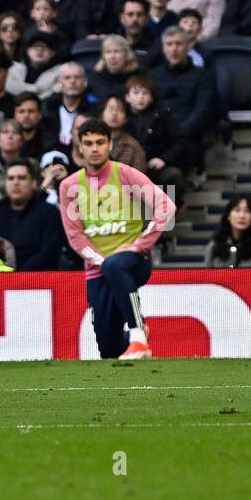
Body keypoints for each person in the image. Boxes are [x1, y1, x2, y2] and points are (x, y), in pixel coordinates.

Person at [59, 118, 175, 359]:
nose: (94, 148)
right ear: (79, 146)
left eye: (100, 142)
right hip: (97, 268)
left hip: (133, 261)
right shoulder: (70, 185)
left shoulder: (124, 174)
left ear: (110, 144)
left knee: (116, 264)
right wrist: (103, 261)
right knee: (108, 348)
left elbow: (166, 206)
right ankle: (132, 343)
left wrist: (141, 245)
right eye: (88, 143)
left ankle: (138, 336)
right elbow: (75, 237)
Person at [205, 195, 251, 268]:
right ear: (228, 215)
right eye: (237, 210)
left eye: (247, 211)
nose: (242, 216)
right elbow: (207, 275)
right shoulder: (215, 245)